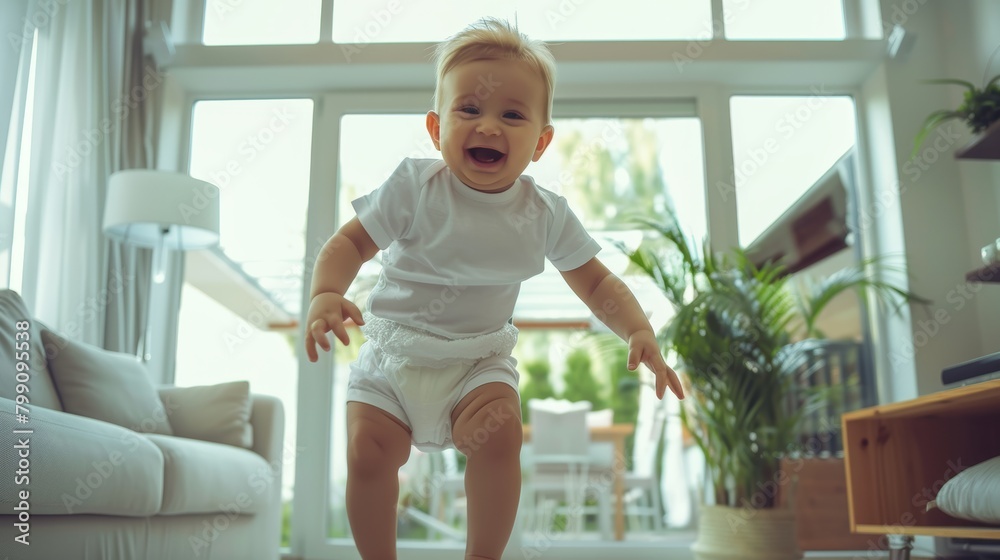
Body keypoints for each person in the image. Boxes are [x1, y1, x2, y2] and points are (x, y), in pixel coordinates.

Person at [303, 17, 684, 560]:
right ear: (436, 128)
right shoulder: (414, 186)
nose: (488, 126)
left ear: (541, 142)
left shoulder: (544, 213)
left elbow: (597, 280)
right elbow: (349, 243)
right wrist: (325, 293)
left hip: (477, 363)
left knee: (500, 436)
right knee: (366, 452)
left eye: (512, 114)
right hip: (393, 356)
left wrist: (638, 328)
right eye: (469, 109)